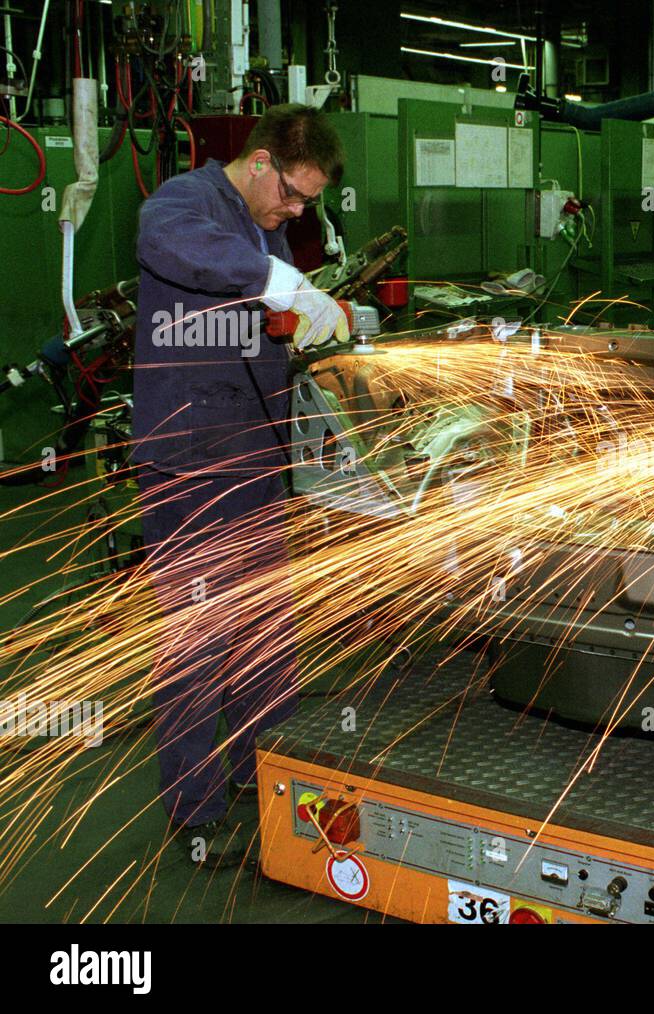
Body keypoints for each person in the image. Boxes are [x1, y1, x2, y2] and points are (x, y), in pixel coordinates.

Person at [132, 104, 349, 868]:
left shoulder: (269, 225)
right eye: (290, 194)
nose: (295, 211)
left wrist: (312, 324)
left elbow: (257, 321)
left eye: (304, 203)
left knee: (265, 632)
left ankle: (274, 784)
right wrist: (279, 282)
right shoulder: (185, 203)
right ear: (259, 162)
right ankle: (197, 811)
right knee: (199, 637)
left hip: (252, 456)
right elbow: (173, 245)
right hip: (191, 461)